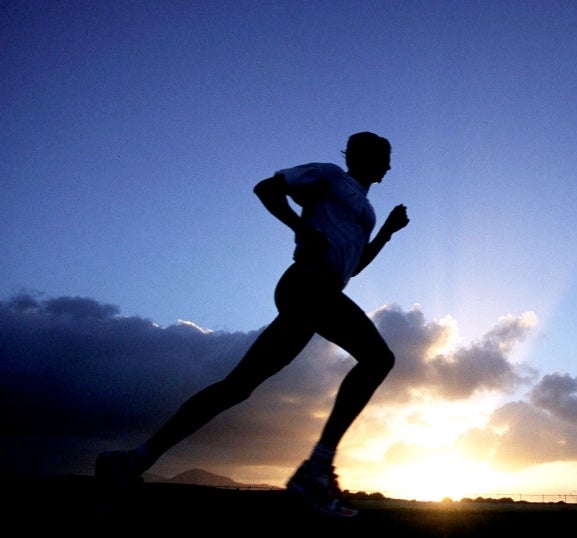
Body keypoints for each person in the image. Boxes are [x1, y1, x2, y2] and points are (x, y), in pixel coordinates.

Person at [95, 131, 409, 518]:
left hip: (324, 290)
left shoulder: (366, 212)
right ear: (364, 156)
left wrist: (387, 235)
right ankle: (315, 469)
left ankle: (133, 460)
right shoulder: (328, 176)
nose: (390, 165)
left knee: (238, 387)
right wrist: (300, 227)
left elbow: (354, 267)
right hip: (307, 281)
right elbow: (266, 188)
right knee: (378, 358)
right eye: (385, 156)